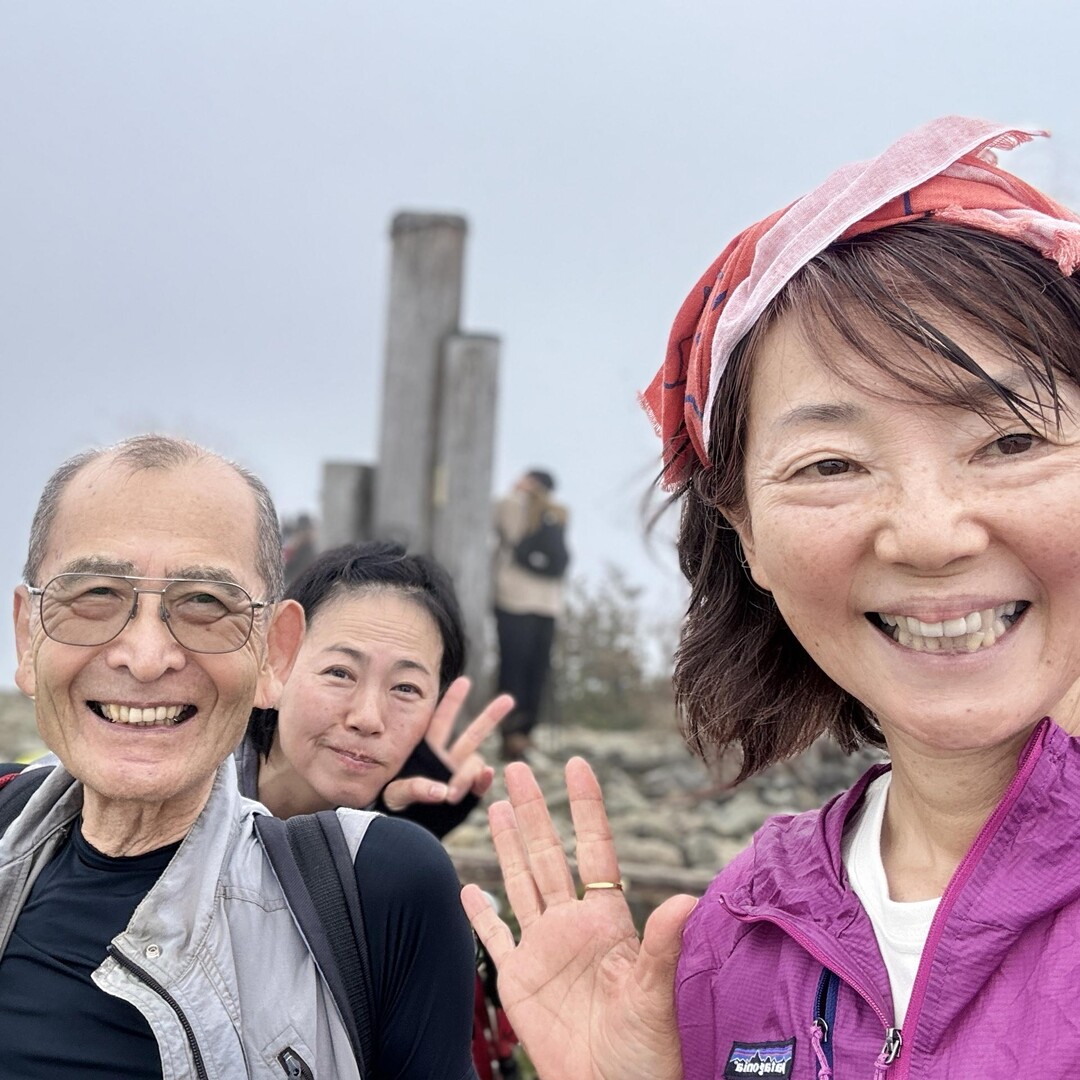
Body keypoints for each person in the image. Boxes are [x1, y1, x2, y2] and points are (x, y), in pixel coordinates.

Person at [462, 115, 1080, 1079]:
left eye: (1010, 441)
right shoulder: (735, 934)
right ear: (744, 532)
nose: (926, 532)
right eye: (832, 463)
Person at [2, 434, 479, 1078]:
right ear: (27, 635)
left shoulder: (390, 883)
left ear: (273, 654)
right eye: (94, 594)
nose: (145, 658)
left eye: (205, 604)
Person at [238, 540, 514, 837]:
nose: (368, 719)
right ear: (276, 665)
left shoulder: (397, 815)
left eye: (406, 689)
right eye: (340, 673)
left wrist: (401, 839)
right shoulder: (193, 781)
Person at [493, 469, 569, 760]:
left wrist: (518, 491)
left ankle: (510, 734)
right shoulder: (558, 512)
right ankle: (525, 733)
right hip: (548, 602)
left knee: (512, 667)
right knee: (537, 669)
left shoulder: (511, 505)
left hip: (512, 597)